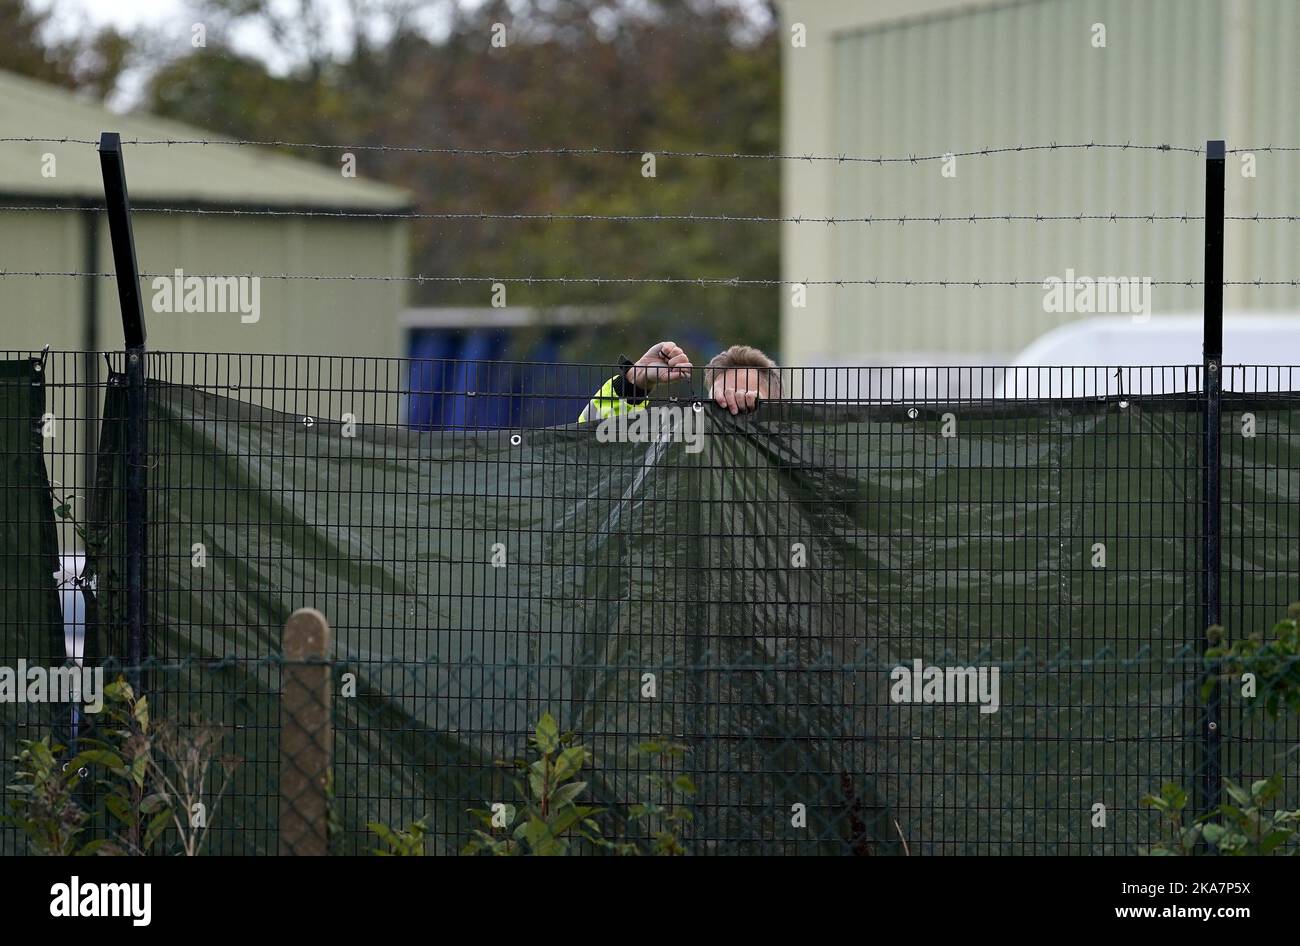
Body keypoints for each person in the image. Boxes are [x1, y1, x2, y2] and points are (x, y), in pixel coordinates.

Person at [577, 342, 780, 422]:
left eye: (748, 400)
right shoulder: (683, 450)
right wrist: (632, 386)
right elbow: (591, 448)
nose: (733, 403)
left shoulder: (797, 454)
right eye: (720, 403)